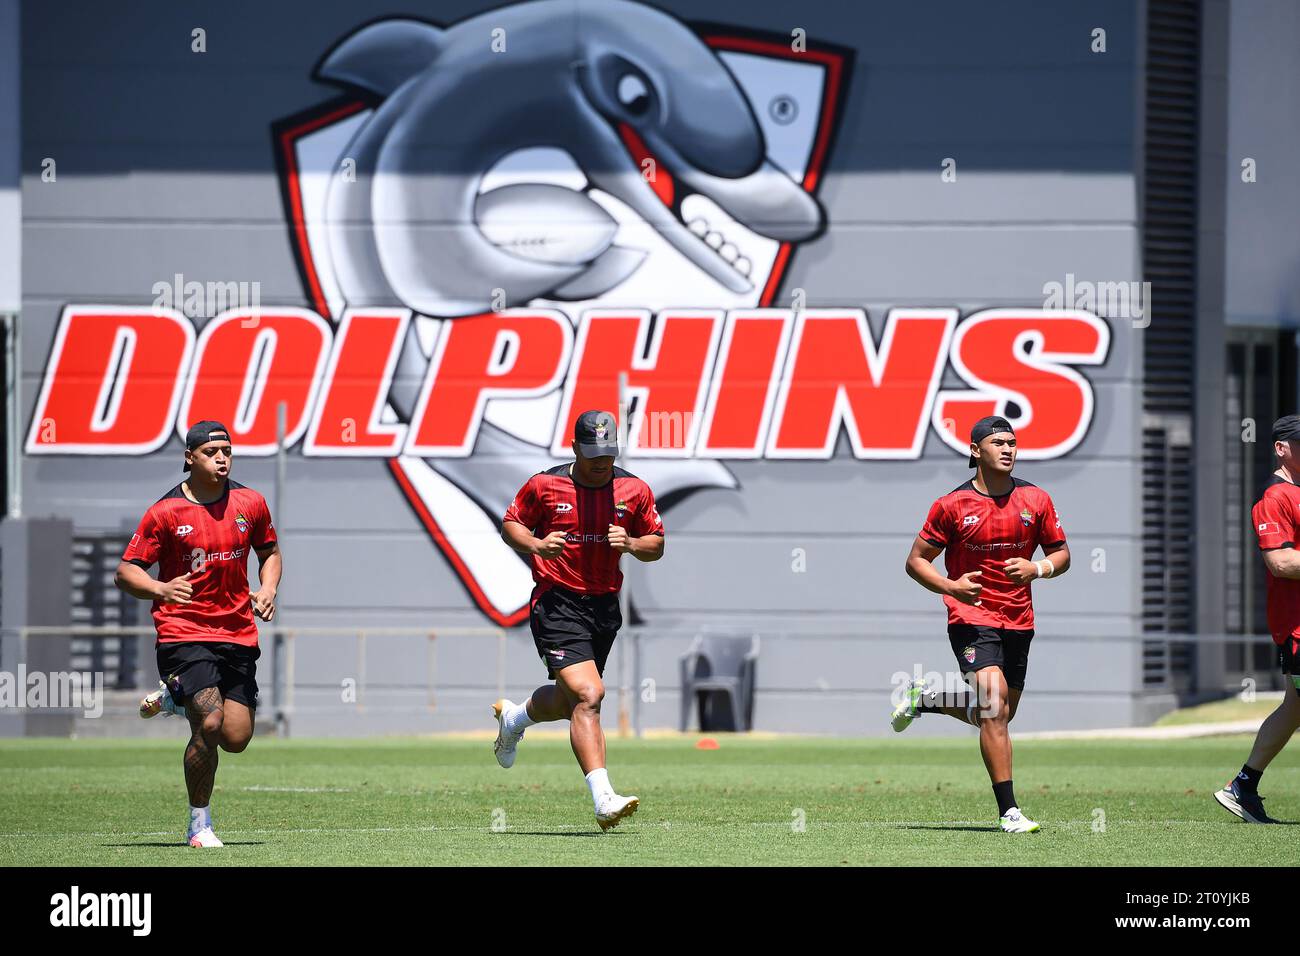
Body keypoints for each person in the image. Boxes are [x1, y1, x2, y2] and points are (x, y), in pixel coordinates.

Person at [891, 415, 1070, 833]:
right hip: (971, 617)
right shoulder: (952, 505)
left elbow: (1062, 554)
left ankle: (928, 700)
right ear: (976, 451)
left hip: (1019, 619)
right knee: (993, 703)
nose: (1008, 449)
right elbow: (915, 561)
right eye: (998, 442)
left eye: (1012, 442)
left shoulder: (1037, 500)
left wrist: (1038, 568)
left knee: (999, 714)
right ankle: (1010, 811)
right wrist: (952, 588)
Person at [493, 410, 664, 831]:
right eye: (592, 456)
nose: (601, 463)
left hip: (604, 608)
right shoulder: (545, 485)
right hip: (557, 604)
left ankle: (515, 719)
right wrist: (536, 544)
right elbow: (510, 524)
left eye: (607, 455)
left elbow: (657, 544)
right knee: (590, 694)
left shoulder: (633, 489)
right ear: (575, 449)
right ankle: (603, 798)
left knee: (572, 701)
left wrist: (633, 543)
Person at [115, 421, 281, 847]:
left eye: (227, 450)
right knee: (208, 722)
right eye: (211, 451)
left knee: (236, 737)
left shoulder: (251, 502)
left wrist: (267, 588)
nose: (222, 457)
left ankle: (173, 695)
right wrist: (160, 588)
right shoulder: (166, 512)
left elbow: (270, 553)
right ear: (190, 457)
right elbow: (126, 571)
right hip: (183, 630)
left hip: (237, 630)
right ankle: (199, 824)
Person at [1213, 414, 1300, 824]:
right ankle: (1243, 785)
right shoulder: (1274, 497)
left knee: (1294, 708)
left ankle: (1243, 786)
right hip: (1297, 626)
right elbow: (1280, 562)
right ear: (1282, 448)